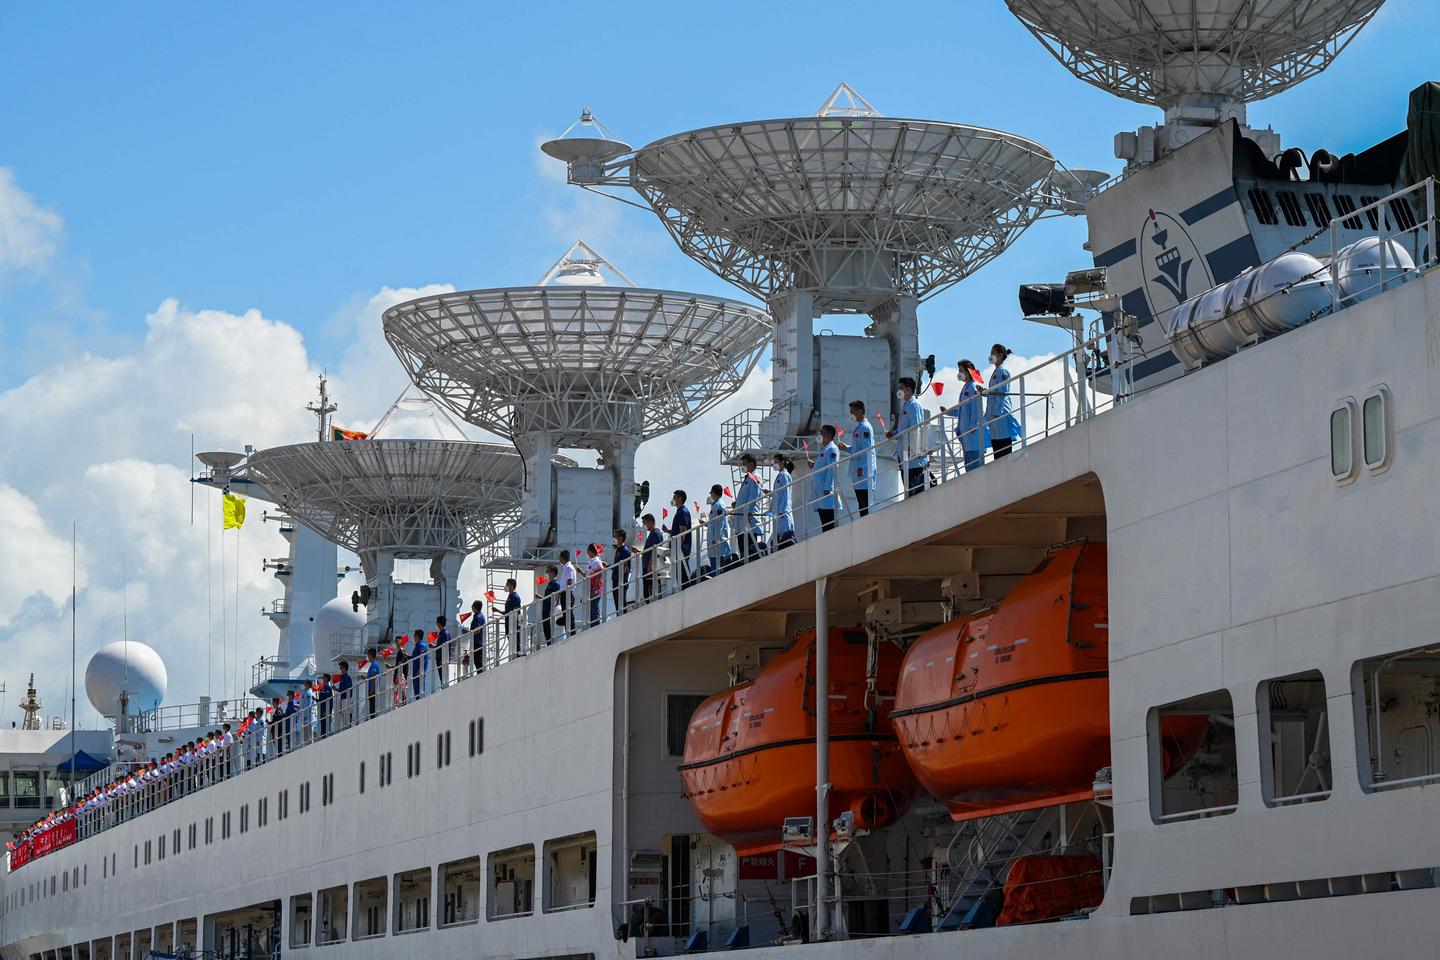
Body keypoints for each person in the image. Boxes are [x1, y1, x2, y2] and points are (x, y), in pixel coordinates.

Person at [944, 358, 989, 472]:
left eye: (961, 370)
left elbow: (976, 409)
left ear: (968, 372)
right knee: (968, 469)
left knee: (975, 470)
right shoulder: (965, 388)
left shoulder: (973, 387)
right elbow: (962, 411)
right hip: (966, 437)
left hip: (973, 436)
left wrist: (973, 426)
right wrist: (947, 411)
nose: (959, 373)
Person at [888, 377, 929, 497]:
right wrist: (894, 433)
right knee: (909, 490)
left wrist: (913, 447)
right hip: (904, 455)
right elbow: (904, 429)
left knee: (915, 491)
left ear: (908, 389)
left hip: (912, 457)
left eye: (901, 387)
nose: (899, 390)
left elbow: (915, 427)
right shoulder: (906, 405)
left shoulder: (913, 405)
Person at [838, 400, 877, 516]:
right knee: (861, 504)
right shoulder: (860, 427)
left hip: (863, 473)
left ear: (859, 411)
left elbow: (866, 450)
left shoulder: (864, 428)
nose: (852, 415)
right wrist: (847, 448)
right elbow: (858, 448)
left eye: (853, 412)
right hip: (860, 473)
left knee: (864, 503)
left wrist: (861, 467)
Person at [985, 343, 1020, 459]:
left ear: (1000, 355)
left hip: (1000, 412)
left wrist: (996, 411)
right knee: (996, 442)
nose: (990, 355)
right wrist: (985, 391)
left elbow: (1003, 391)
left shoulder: (1003, 371)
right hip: (993, 414)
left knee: (1003, 441)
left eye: (993, 353)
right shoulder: (995, 372)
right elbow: (994, 392)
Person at [809, 424, 841, 531]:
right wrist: (813, 466)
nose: (820, 435)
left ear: (828, 435)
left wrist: (828, 487)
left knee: (829, 525)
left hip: (826, 492)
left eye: (822, 433)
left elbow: (832, 468)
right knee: (825, 525)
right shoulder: (824, 450)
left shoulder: (832, 449)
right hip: (820, 492)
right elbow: (823, 467)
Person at [733, 457, 763, 563]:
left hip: (747, 519)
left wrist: (749, 512)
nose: (742, 466)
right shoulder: (748, 477)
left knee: (750, 548)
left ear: (751, 464)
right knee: (742, 548)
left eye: (744, 463)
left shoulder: (755, 477)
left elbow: (754, 496)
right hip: (741, 520)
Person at [665, 490, 695, 587]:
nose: (673, 499)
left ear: (680, 498)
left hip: (681, 548)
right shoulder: (680, 511)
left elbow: (683, 530)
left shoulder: (682, 511)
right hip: (678, 548)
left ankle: (687, 589)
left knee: (683, 573)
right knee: (680, 574)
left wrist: (679, 547)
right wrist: (669, 531)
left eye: (675, 497)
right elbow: (679, 530)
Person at [769, 455, 796, 548]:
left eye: (776, 461)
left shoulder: (785, 475)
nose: (774, 464)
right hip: (777, 511)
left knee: (786, 534)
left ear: (782, 462)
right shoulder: (780, 475)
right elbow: (779, 492)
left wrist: (783, 510)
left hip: (783, 512)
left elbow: (786, 494)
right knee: (779, 535)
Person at [705, 484, 732, 577]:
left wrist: (715, 539)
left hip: (717, 542)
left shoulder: (718, 505)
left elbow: (719, 524)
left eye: (711, 492)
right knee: (714, 563)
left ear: (715, 493)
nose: (710, 494)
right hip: (714, 542)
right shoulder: (715, 505)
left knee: (718, 566)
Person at [493, 578, 521, 659]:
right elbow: (507, 612)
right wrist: (497, 610)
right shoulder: (510, 596)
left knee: (515, 637)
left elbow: (516, 610)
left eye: (507, 584)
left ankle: (517, 653)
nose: (506, 586)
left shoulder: (515, 596)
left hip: (513, 622)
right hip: (508, 621)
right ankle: (514, 653)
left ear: (512, 586)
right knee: (510, 636)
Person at [639, 514, 664, 600]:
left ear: (650, 522)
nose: (643, 525)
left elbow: (656, 550)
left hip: (651, 568)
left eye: (644, 523)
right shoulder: (652, 534)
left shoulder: (656, 534)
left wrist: (650, 565)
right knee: (647, 591)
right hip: (648, 567)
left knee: (650, 590)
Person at [556, 549, 577, 634]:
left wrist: (566, 593)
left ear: (562, 557)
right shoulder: (566, 567)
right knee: (566, 614)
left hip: (567, 593)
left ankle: (572, 633)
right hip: (565, 593)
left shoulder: (568, 567)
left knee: (568, 614)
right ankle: (569, 632)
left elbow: (569, 581)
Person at [611, 529, 633, 611]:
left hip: (621, 581)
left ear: (621, 538)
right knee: (617, 605)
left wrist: (622, 580)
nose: (613, 538)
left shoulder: (625, 551)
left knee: (621, 604)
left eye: (615, 536)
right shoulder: (618, 550)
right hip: (616, 580)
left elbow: (625, 566)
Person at [585, 544, 606, 626]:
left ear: (590, 551)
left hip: (594, 587)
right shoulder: (592, 561)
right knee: (591, 607)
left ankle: (596, 625)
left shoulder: (596, 561)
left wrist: (595, 588)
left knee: (594, 606)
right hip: (590, 587)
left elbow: (600, 571)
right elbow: (588, 574)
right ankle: (593, 624)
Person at [540, 567, 560, 647]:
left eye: (547, 572)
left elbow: (556, 597)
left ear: (552, 573)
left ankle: (551, 643)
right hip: (545, 608)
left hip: (549, 609)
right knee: (546, 628)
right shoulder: (549, 584)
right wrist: (541, 598)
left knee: (549, 628)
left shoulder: (556, 584)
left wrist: (552, 609)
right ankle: (549, 643)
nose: (546, 573)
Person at [433, 615, 451, 690]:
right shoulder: (442, 633)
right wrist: (434, 646)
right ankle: (443, 687)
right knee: (442, 677)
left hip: (442, 659)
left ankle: (444, 688)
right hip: (440, 658)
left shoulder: (445, 633)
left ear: (439, 623)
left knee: (443, 677)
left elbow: (445, 646)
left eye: (437, 622)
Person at [410, 628, 429, 700]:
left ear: (417, 636)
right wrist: (408, 657)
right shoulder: (418, 646)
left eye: (414, 635)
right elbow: (414, 657)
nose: (414, 637)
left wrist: (421, 669)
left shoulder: (421, 646)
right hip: (415, 672)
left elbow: (423, 658)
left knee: (419, 691)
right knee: (416, 691)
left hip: (418, 672)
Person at [392, 639, 410, 706]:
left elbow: (400, 664)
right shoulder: (401, 651)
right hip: (400, 675)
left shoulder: (401, 652)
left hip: (400, 675)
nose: (396, 644)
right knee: (400, 691)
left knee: (400, 691)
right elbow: (399, 664)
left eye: (397, 642)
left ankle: (400, 704)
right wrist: (392, 667)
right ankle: (400, 703)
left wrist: (397, 676)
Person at [364, 648, 381, 718]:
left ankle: (373, 717)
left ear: (371, 655)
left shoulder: (374, 665)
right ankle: (372, 716)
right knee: (372, 705)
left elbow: (374, 676)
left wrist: (372, 689)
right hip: (372, 688)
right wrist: (365, 678)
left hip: (372, 689)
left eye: (368, 655)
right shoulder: (373, 664)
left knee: (372, 706)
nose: (367, 656)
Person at [336, 660, 354, 727]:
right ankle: (345, 726)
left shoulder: (347, 677)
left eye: (340, 668)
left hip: (346, 699)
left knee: (346, 714)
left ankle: (347, 726)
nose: (340, 669)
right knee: (344, 714)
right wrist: (336, 689)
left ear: (344, 668)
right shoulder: (343, 678)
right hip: (343, 698)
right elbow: (342, 690)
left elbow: (349, 688)